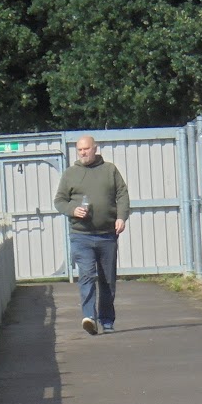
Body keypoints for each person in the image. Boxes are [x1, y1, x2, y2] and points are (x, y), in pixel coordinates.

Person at [54, 135, 130, 335]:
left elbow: (122, 194)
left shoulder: (110, 170)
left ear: (95, 149)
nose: (83, 153)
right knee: (87, 275)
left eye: (86, 149)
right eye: (79, 150)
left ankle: (107, 320)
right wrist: (73, 209)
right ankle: (89, 317)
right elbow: (59, 201)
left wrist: (121, 216)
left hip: (107, 235)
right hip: (81, 235)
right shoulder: (71, 173)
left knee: (107, 280)